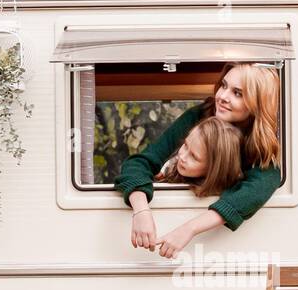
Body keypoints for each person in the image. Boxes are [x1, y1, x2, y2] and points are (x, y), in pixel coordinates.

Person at [116, 62, 281, 259]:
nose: (222, 97)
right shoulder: (198, 116)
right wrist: (141, 210)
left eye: (237, 93)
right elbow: (140, 163)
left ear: (257, 104)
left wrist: (189, 229)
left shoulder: (259, 148)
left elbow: (256, 189)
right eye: (224, 85)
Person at [154, 116, 244, 196]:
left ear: (214, 169)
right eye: (185, 145)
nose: (182, 157)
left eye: (194, 157)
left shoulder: (227, 195)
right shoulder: (170, 167)